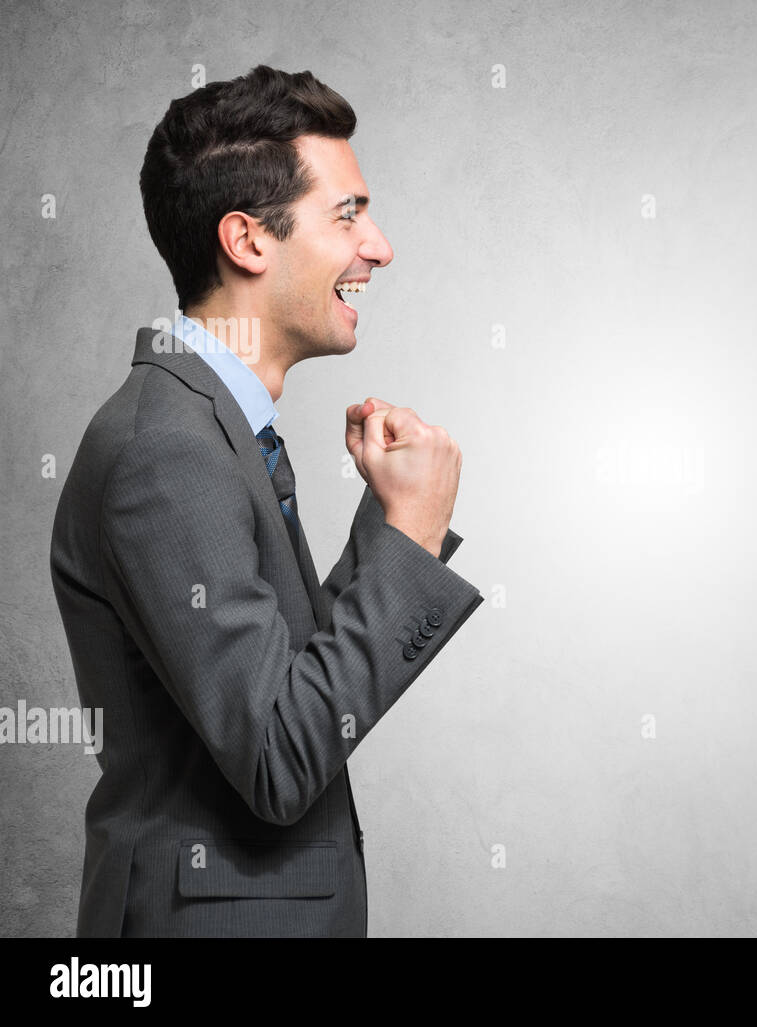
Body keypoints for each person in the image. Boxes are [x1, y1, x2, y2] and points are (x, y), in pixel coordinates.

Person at [48, 65, 484, 937]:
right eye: (348, 215)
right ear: (248, 241)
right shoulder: (166, 450)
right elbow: (282, 757)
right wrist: (412, 532)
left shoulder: (208, 427)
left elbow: (278, 685)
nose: (380, 248)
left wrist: (385, 532)